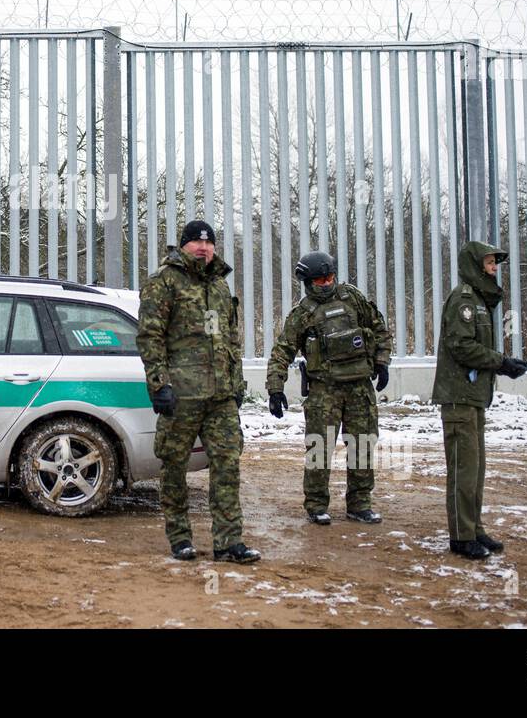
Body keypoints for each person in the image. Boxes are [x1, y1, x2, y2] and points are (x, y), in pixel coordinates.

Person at [136, 219, 262, 564]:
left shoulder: (220, 285)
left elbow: (230, 341)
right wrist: (159, 385)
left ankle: (228, 541)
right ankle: (180, 538)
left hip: (220, 397)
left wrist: (236, 385)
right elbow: (150, 338)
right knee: (174, 465)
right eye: (196, 243)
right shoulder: (164, 282)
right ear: (184, 245)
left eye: (209, 244)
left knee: (227, 464)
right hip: (181, 394)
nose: (203, 249)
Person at [265, 251, 391, 525]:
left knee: (362, 444)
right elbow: (281, 351)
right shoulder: (303, 314)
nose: (326, 284)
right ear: (308, 282)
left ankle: (359, 503)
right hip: (324, 391)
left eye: (330, 278)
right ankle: (316, 504)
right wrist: (275, 388)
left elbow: (380, 329)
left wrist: (382, 362)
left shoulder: (352, 298)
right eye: (320, 280)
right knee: (319, 449)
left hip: (359, 388)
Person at [431, 240, 527, 560]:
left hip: (472, 397)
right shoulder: (463, 300)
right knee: (464, 469)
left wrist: (501, 362)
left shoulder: (478, 301)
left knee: (476, 468)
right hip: (458, 397)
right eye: (489, 262)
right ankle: (461, 536)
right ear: (474, 265)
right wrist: (501, 362)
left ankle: (473, 528)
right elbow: (460, 345)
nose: (494, 268)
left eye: (495, 263)